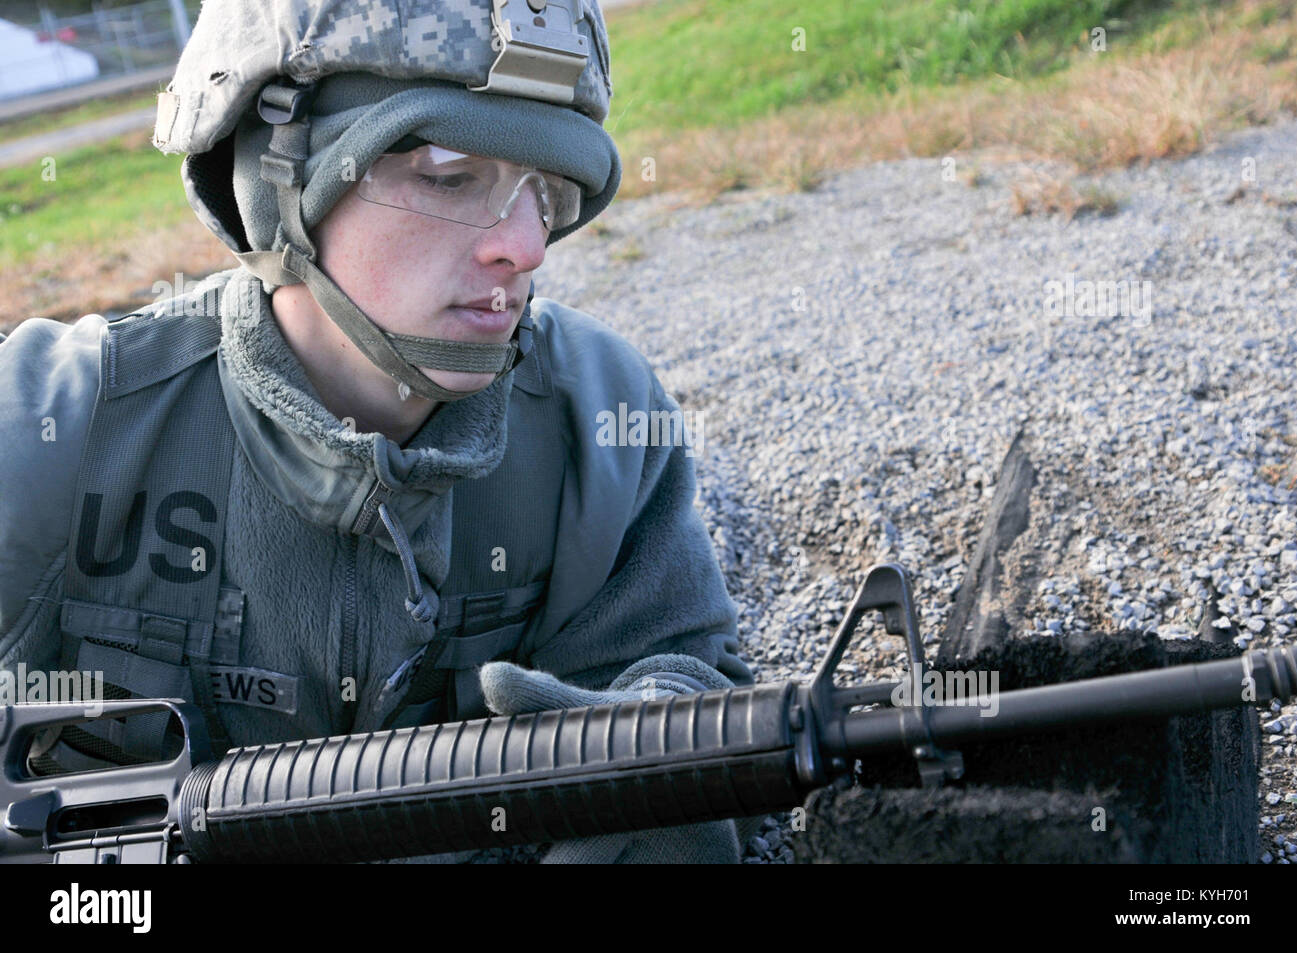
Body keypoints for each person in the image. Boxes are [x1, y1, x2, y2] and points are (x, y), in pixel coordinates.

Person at [0, 0, 753, 863]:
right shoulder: (50, 427)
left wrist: (643, 769)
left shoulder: (603, 423)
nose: (525, 244)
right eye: (449, 173)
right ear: (278, 178)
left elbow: (687, 674)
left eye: (546, 189)